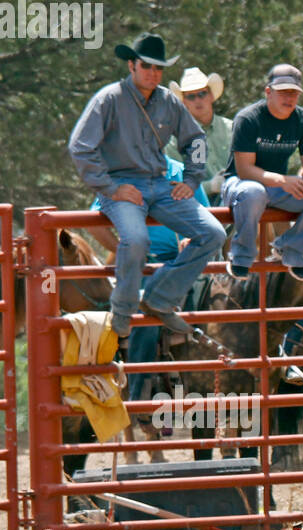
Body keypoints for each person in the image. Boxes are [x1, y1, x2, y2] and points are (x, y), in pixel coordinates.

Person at [68, 32, 226, 339]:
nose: (153, 73)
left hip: (160, 183)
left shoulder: (168, 100)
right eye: (146, 66)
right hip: (123, 186)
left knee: (213, 233)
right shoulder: (109, 99)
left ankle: (159, 297)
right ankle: (124, 307)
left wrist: (192, 180)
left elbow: (194, 139)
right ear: (131, 65)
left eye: (158, 68)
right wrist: (110, 187)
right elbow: (80, 147)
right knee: (137, 239)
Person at [87, 156, 213, 403]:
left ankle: (207, 385)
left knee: (213, 303)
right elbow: (95, 224)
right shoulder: (120, 173)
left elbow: (206, 216)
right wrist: (127, 251)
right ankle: (140, 393)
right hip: (145, 264)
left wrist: (192, 239)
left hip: (180, 259)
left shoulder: (181, 172)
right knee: (147, 317)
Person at [220, 63, 303, 281]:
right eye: (284, 91)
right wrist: (284, 181)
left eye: (294, 93)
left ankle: (291, 249)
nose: (290, 98)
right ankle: (241, 255)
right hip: (240, 185)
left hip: (278, 189)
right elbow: (244, 170)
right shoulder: (248, 118)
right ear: (268, 92)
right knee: (253, 191)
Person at [166, 66, 233, 200]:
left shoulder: (232, 128)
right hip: (198, 208)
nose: (198, 100)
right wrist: (210, 186)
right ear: (183, 102)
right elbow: (173, 186)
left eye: (202, 93)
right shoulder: (174, 141)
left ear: (211, 96)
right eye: (191, 96)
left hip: (237, 198)